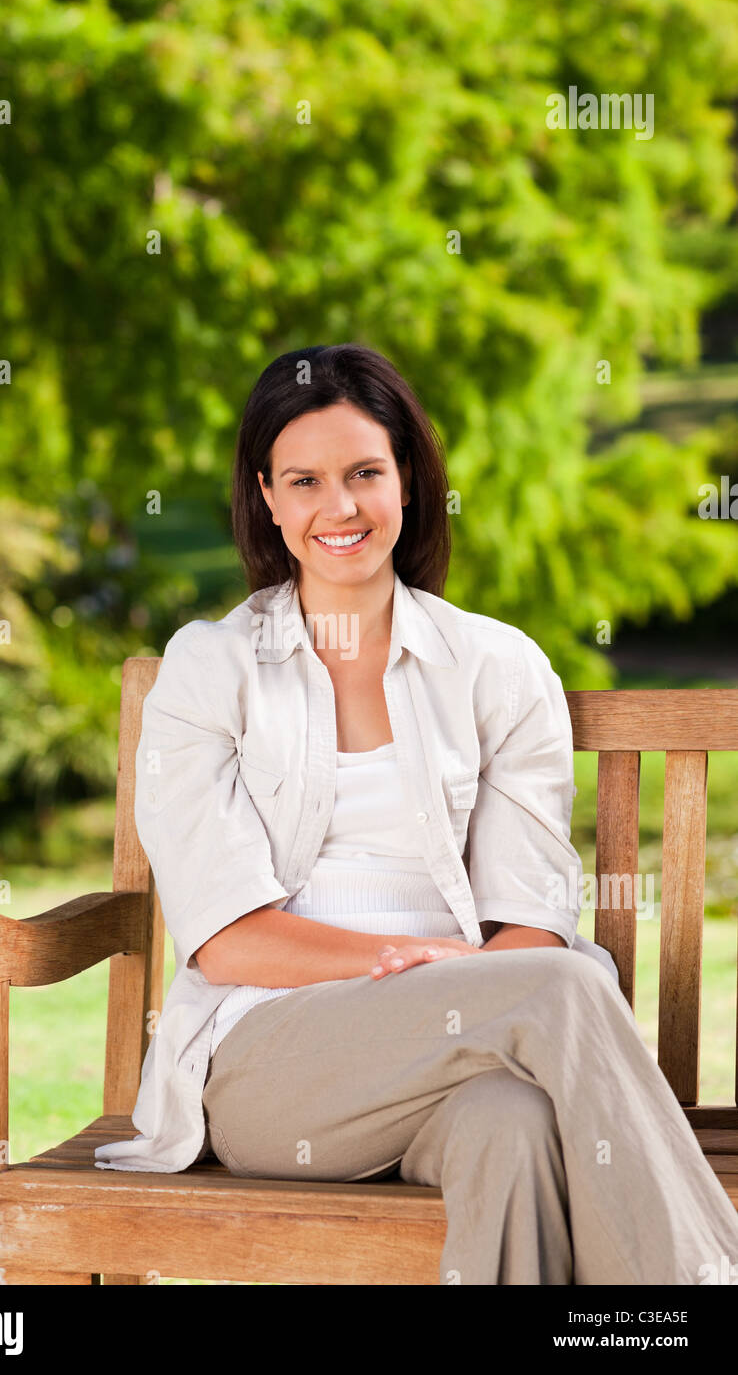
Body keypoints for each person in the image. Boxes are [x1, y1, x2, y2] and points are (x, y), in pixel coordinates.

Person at [95, 342, 738, 1285]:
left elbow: (533, 921)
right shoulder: (210, 668)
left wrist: (460, 983)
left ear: (409, 482)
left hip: (468, 1043)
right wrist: (414, 970)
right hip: (271, 1059)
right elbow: (227, 940)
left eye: (365, 473)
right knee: (564, 986)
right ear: (267, 498)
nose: (340, 506)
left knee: (511, 1128)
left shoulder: (497, 667)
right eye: (304, 480)